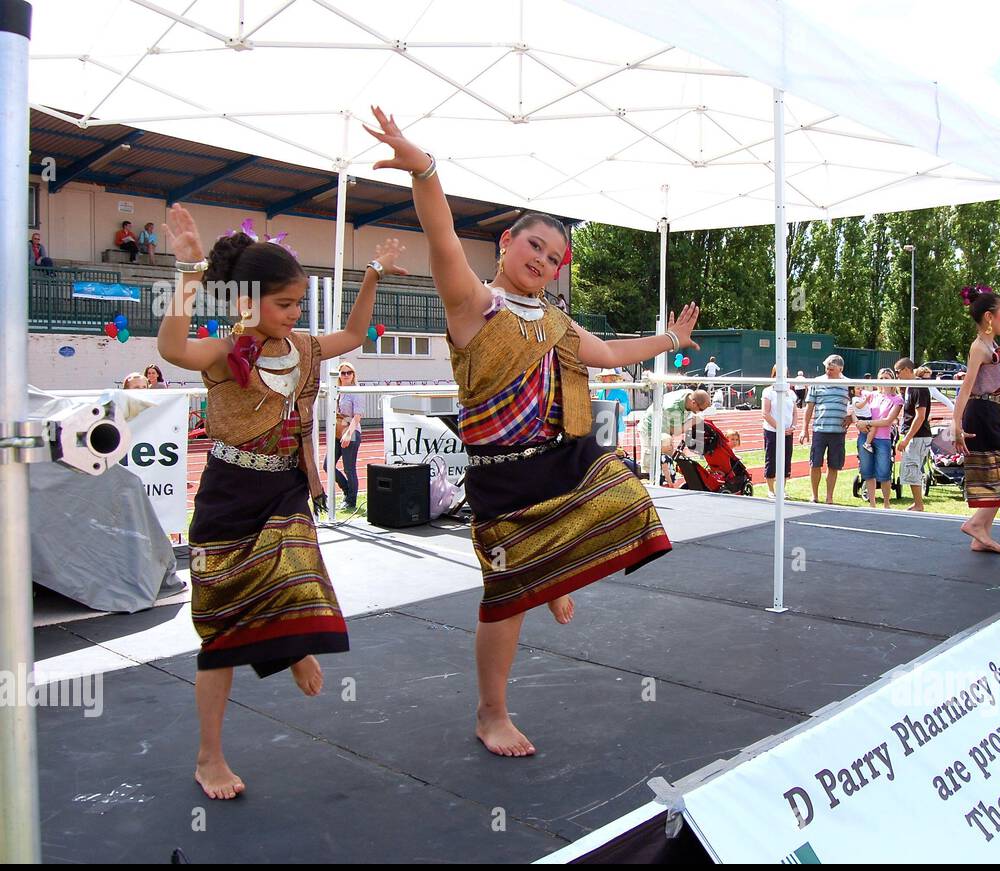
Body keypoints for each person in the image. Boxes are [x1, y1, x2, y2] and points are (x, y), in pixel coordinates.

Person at [366, 105, 687, 757]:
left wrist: (669, 339)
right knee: (505, 600)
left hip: (561, 458)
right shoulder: (473, 304)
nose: (543, 258)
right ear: (506, 246)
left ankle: (555, 576)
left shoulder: (558, 324)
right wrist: (425, 171)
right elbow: (442, 237)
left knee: (628, 497)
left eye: (555, 255)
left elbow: (611, 355)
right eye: (532, 244)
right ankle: (492, 712)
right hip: (500, 475)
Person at [156, 202, 402, 799]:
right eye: (284, 304)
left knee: (299, 576)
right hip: (227, 494)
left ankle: (293, 645)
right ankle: (209, 755)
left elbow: (351, 334)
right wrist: (189, 269)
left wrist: (370, 276)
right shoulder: (224, 353)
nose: (294, 316)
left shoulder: (308, 349)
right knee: (219, 633)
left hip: (285, 489)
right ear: (250, 300)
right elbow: (170, 348)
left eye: (298, 305)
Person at [950, 286, 1000, 554]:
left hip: (990, 414)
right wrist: (956, 423)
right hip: (981, 414)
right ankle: (976, 525)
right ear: (989, 317)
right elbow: (967, 387)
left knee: (999, 475)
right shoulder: (979, 348)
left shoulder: (991, 345)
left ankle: (981, 533)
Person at [802, 354, 852, 504]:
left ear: (840, 368)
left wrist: (851, 417)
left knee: (834, 465)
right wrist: (804, 429)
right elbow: (809, 407)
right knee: (815, 463)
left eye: (831, 369)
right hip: (820, 429)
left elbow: (858, 403)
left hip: (838, 431)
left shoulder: (849, 383)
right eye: (826, 368)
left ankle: (829, 497)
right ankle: (814, 495)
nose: (828, 371)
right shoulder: (817, 382)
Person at [637, 387, 710, 478]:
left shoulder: (690, 394)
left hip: (664, 425)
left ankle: (665, 478)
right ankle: (648, 479)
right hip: (650, 429)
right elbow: (675, 431)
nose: (700, 412)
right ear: (693, 402)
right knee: (650, 459)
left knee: (665, 458)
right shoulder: (672, 408)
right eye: (701, 409)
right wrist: (693, 421)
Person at [853, 369, 901, 507]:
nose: (884, 380)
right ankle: (872, 503)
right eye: (881, 378)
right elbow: (856, 407)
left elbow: (887, 420)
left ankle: (886, 503)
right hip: (865, 435)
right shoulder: (871, 395)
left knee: (884, 471)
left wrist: (867, 423)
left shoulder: (897, 399)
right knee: (867, 470)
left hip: (883, 438)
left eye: (887, 378)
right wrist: (858, 423)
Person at [894, 357, 932, 512]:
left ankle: (919, 504)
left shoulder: (918, 386)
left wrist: (907, 438)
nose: (897, 376)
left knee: (912, 467)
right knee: (911, 468)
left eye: (898, 372)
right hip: (915, 435)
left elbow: (920, 415)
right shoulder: (910, 387)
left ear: (906, 370)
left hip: (918, 436)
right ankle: (918, 503)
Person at [761, 364, 796, 495]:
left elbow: (795, 412)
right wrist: (780, 428)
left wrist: (793, 426)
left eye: (785, 373)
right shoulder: (768, 391)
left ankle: (782, 489)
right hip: (772, 431)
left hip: (787, 432)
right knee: (771, 458)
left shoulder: (791, 392)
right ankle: (771, 489)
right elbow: (765, 413)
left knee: (786, 459)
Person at [333, 361, 363, 511]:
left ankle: (351, 500)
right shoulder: (337, 390)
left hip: (351, 431)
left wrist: (348, 434)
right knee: (328, 465)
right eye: (343, 373)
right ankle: (347, 491)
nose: (346, 375)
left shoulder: (355, 391)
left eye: (349, 372)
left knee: (349, 468)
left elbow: (357, 416)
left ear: (353, 375)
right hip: (338, 431)